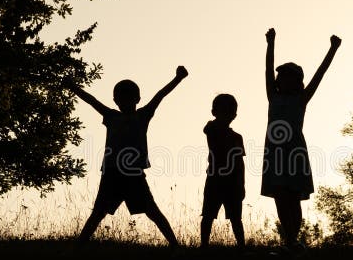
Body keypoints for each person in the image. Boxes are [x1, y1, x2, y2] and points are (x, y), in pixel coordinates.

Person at [63, 66, 189, 248]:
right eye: (122, 97)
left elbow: (160, 95)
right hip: (113, 173)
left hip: (133, 174)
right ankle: (78, 248)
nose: (125, 100)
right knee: (98, 213)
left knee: (152, 211)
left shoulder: (143, 115)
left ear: (137, 99)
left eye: (129, 97)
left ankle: (176, 247)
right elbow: (91, 100)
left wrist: (178, 79)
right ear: (115, 100)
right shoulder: (111, 115)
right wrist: (73, 87)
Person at [262, 27, 341, 253]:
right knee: (279, 196)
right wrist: (271, 43)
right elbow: (268, 69)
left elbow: (320, 73)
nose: (282, 80)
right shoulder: (273, 95)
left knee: (293, 197)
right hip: (275, 152)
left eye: (288, 77)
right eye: (281, 77)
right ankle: (289, 241)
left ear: (297, 82)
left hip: (294, 152)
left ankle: (293, 241)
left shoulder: (302, 98)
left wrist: (332, 49)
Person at [200, 94, 246, 249]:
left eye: (229, 111)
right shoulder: (212, 129)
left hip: (233, 182)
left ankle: (242, 247)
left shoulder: (237, 137)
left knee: (235, 218)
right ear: (214, 112)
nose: (226, 114)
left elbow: (240, 164)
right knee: (207, 215)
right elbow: (207, 128)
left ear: (234, 115)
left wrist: (241, 185)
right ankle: (204, 246)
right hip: (214, 180)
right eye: (222, 110)